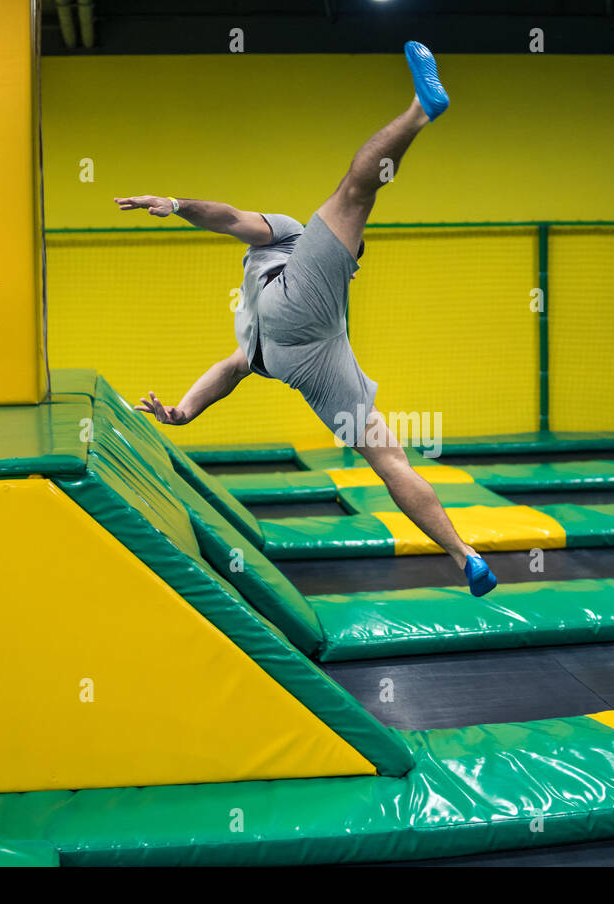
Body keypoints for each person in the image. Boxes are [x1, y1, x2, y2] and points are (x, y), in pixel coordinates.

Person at [116, 42, 497, 596]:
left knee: (354, 191)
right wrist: (183, 411)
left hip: (297, 314)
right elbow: (235, 367)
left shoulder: (292, 237)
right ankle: (465, 557)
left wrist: (176, 205)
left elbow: (227, 218)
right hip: (306, 359)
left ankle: (420, 108)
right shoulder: (264, 331)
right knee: (388, 458)